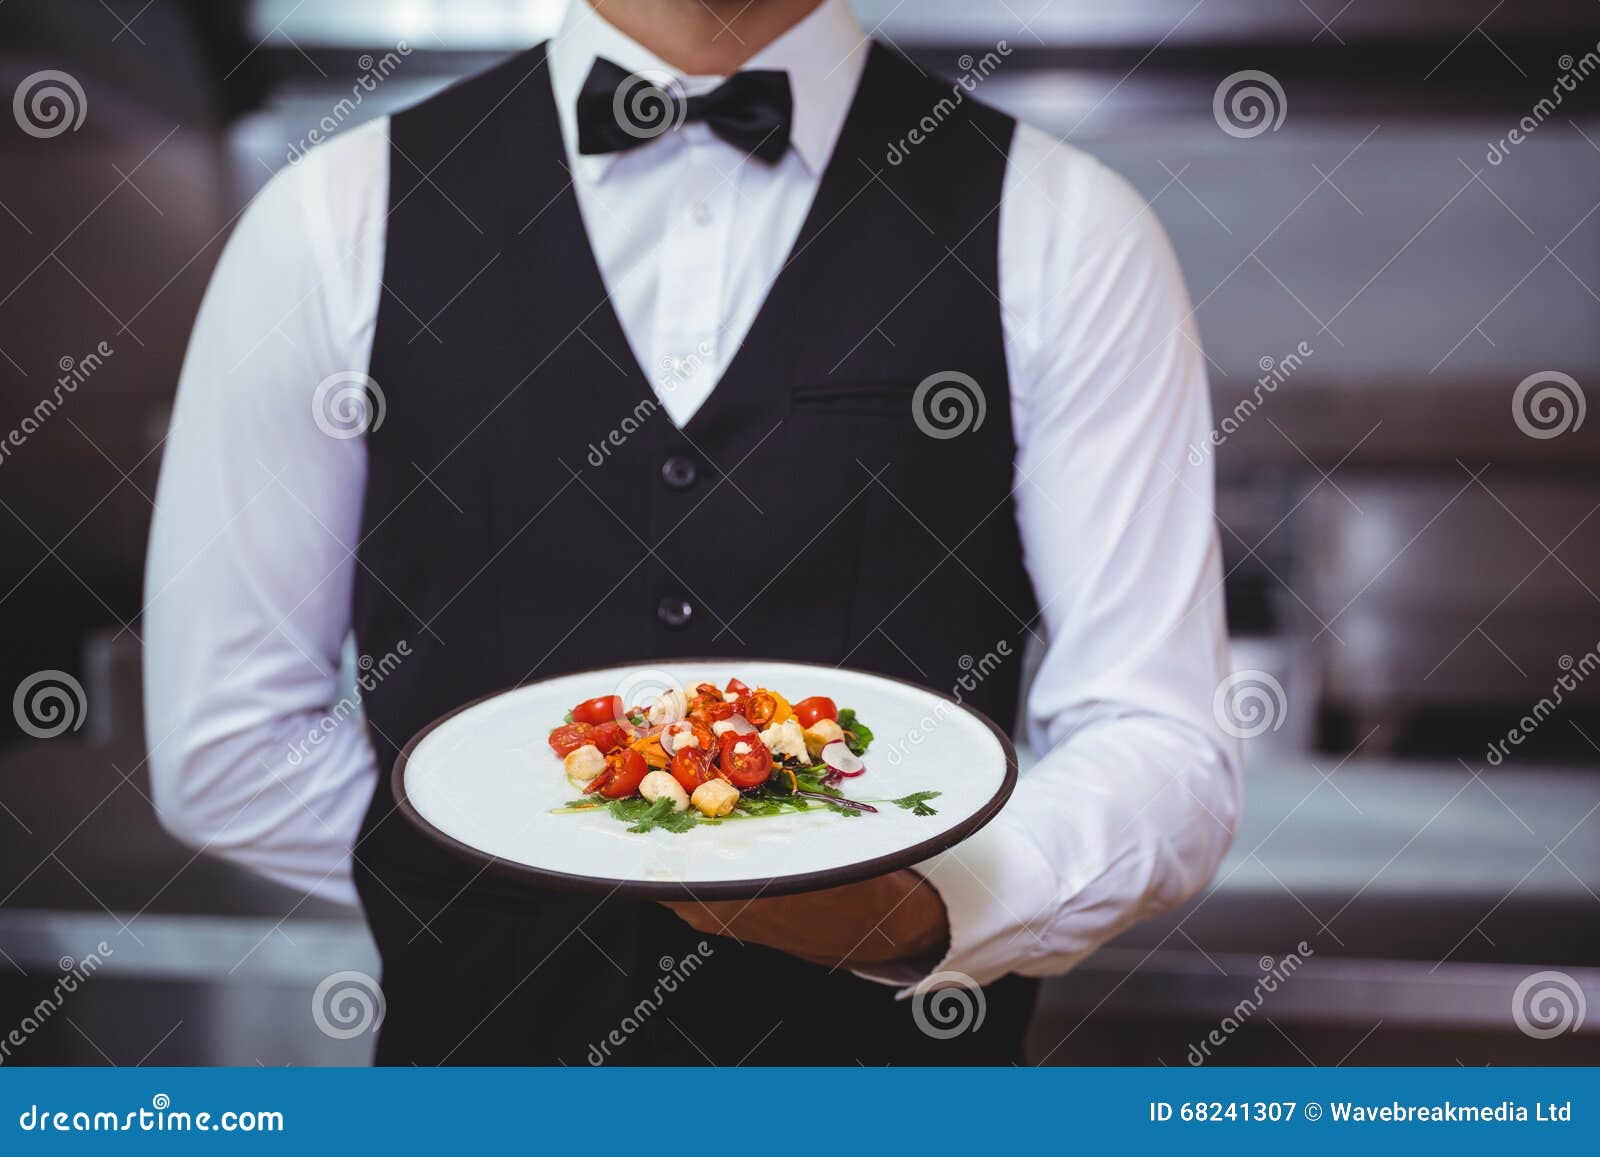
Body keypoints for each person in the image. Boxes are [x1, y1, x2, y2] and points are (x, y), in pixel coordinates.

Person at [146, 0, 1241, 1065]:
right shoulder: (330, 216)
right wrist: (493, 870)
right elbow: (228, 742)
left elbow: (1162, 742)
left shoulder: (1066, 226)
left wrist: (926, 903)